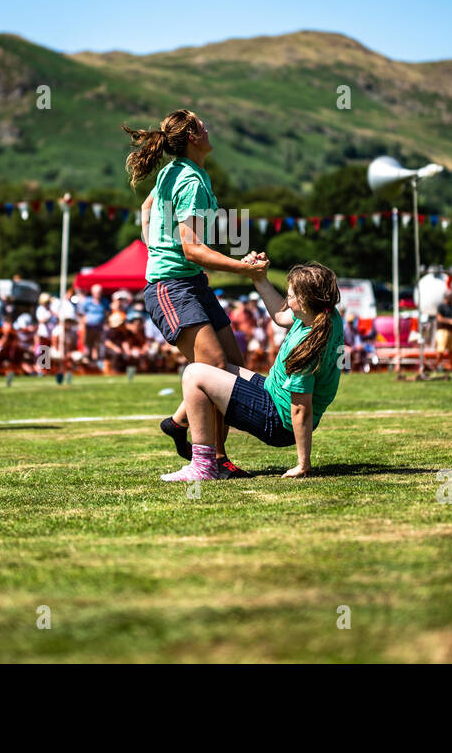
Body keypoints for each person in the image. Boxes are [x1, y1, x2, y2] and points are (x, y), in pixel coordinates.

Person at [124, 109, 269, 478]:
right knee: (216, 369)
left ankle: (179, 424)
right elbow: (191, 249)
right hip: (171, 287)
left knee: (232, 366)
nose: (208, 128)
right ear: (191, 136)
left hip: (191, 283)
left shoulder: (178, 173)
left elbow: (146, 208)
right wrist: (244, 268)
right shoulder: (189, 180)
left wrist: (152, 241)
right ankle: (211, 462)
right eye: (202, 125)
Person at [162, 262, 344, 481]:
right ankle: (177, 424)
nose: (286, 301)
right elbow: (280, 315)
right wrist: (259, 278)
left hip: (277, 422)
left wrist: (303, 464)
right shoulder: (324, 315)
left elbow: (300, 410)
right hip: (273, 394)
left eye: (290, 296)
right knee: (212, 368)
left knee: (194, 374)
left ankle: (203, 466)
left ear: (304, 301)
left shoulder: (306, 348)